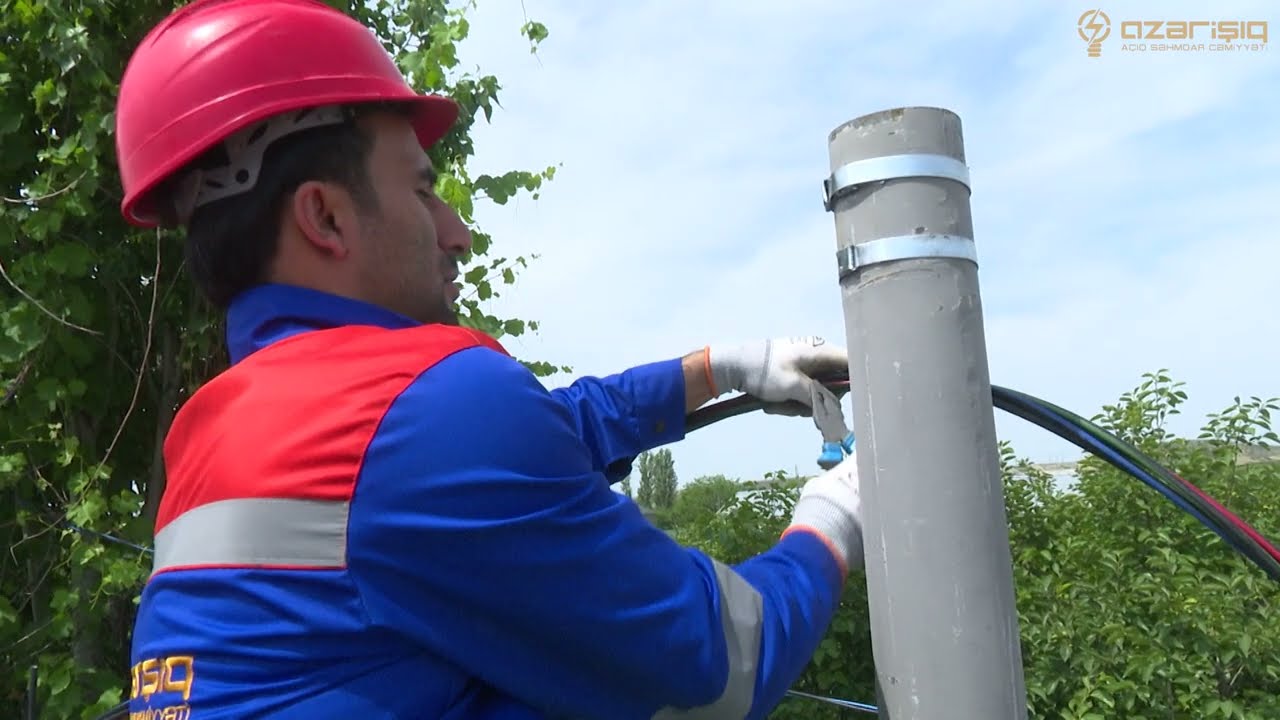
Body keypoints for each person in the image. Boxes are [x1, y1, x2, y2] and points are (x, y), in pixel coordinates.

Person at [115, 1, 867, 718]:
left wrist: (716, 370)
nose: (457, 231)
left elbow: (520, 453)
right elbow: (725, 661)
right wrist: (832, 520)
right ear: (326, 217)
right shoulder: (424, 415)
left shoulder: (214, 433)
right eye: (422, 191)